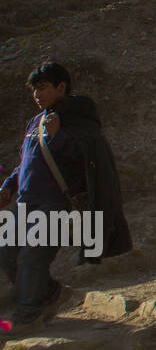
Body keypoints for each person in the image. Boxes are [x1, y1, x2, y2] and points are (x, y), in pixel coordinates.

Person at [1, 62, 131, 335]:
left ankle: (28, 316)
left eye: (43, 88)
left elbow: (85, 159)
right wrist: (8, 188)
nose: (38, 94)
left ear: (61, 87)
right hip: (26, 203)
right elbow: (26, 162)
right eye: (34, 90)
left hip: (57, 206)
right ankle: (50, 293)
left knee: (31, 258)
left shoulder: (79, 117)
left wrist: (57, 135)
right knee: (6, 252)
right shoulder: (36, 121)